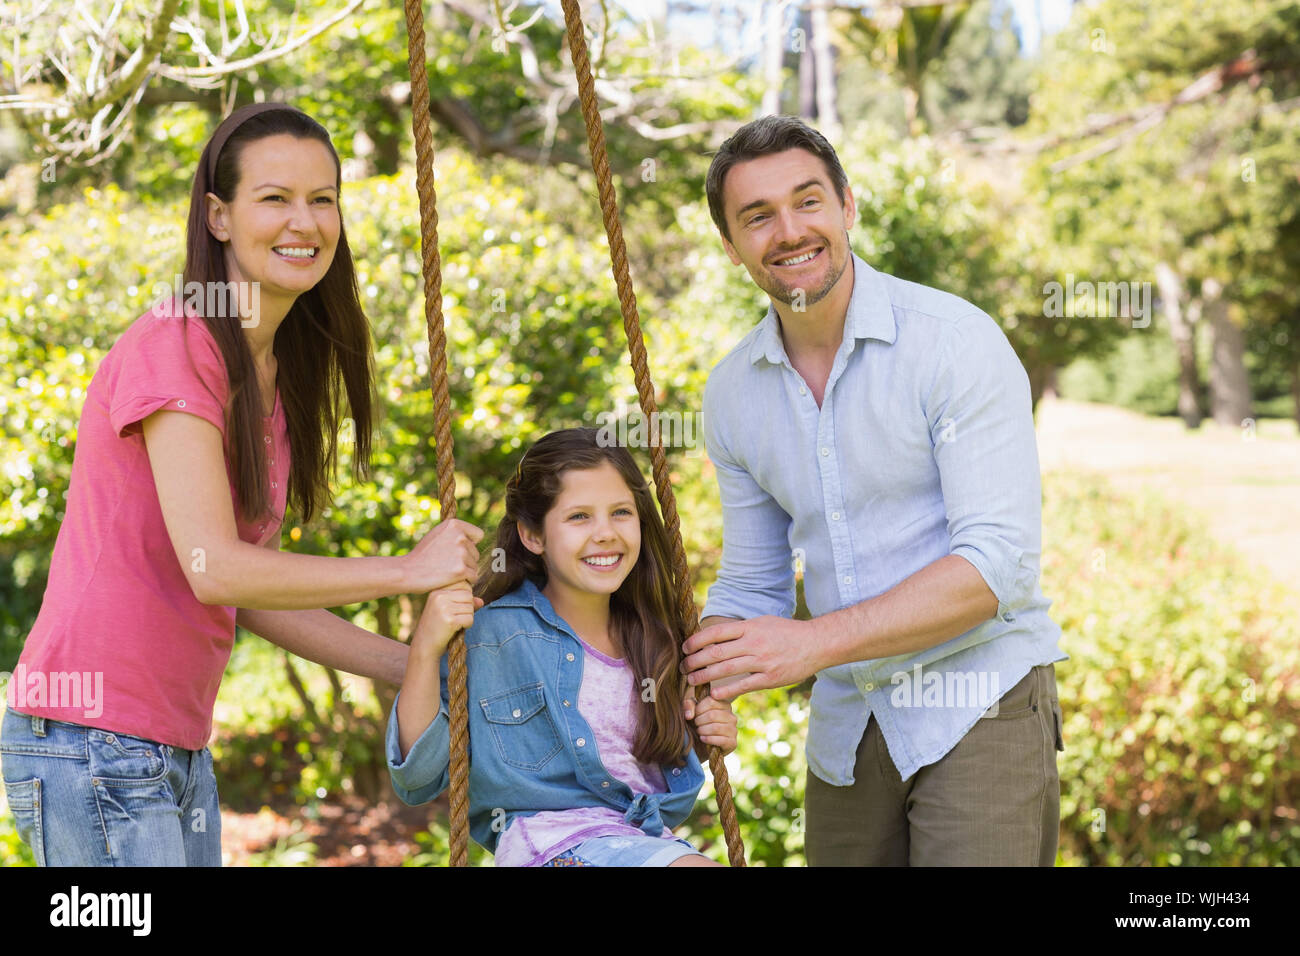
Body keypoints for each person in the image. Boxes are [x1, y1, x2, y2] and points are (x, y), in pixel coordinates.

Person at [0, 103, 482, 866]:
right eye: (275, 198)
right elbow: (214, 565)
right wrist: (408, 572)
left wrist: (414, 662)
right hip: (91, 740)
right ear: (218, 216)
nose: (306, 221)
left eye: (324, 199)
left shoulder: (273, 380)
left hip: (168, 747)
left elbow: (244, 594)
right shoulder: (180, 339)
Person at [680, 115, 1067, 866]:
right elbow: (755, 580)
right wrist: (703, 676)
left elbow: (997, 567)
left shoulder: (954, 343)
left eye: (808, 201)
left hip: (976, 700)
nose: (790, 230)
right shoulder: (732, 394)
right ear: (731, 248)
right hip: (849, 729)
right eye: (758, 216)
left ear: (847, 206)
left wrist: (812, 643)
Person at [388, 428, 736, 866]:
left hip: (643, 841)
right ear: (533, 536)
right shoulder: (492, 635)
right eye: (579, 517)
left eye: (621, 513)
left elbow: (639, 761)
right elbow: (418, 780)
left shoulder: (655, 638)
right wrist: (424, 648)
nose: (605, 533)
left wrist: (703, 739)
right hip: (551, 847)